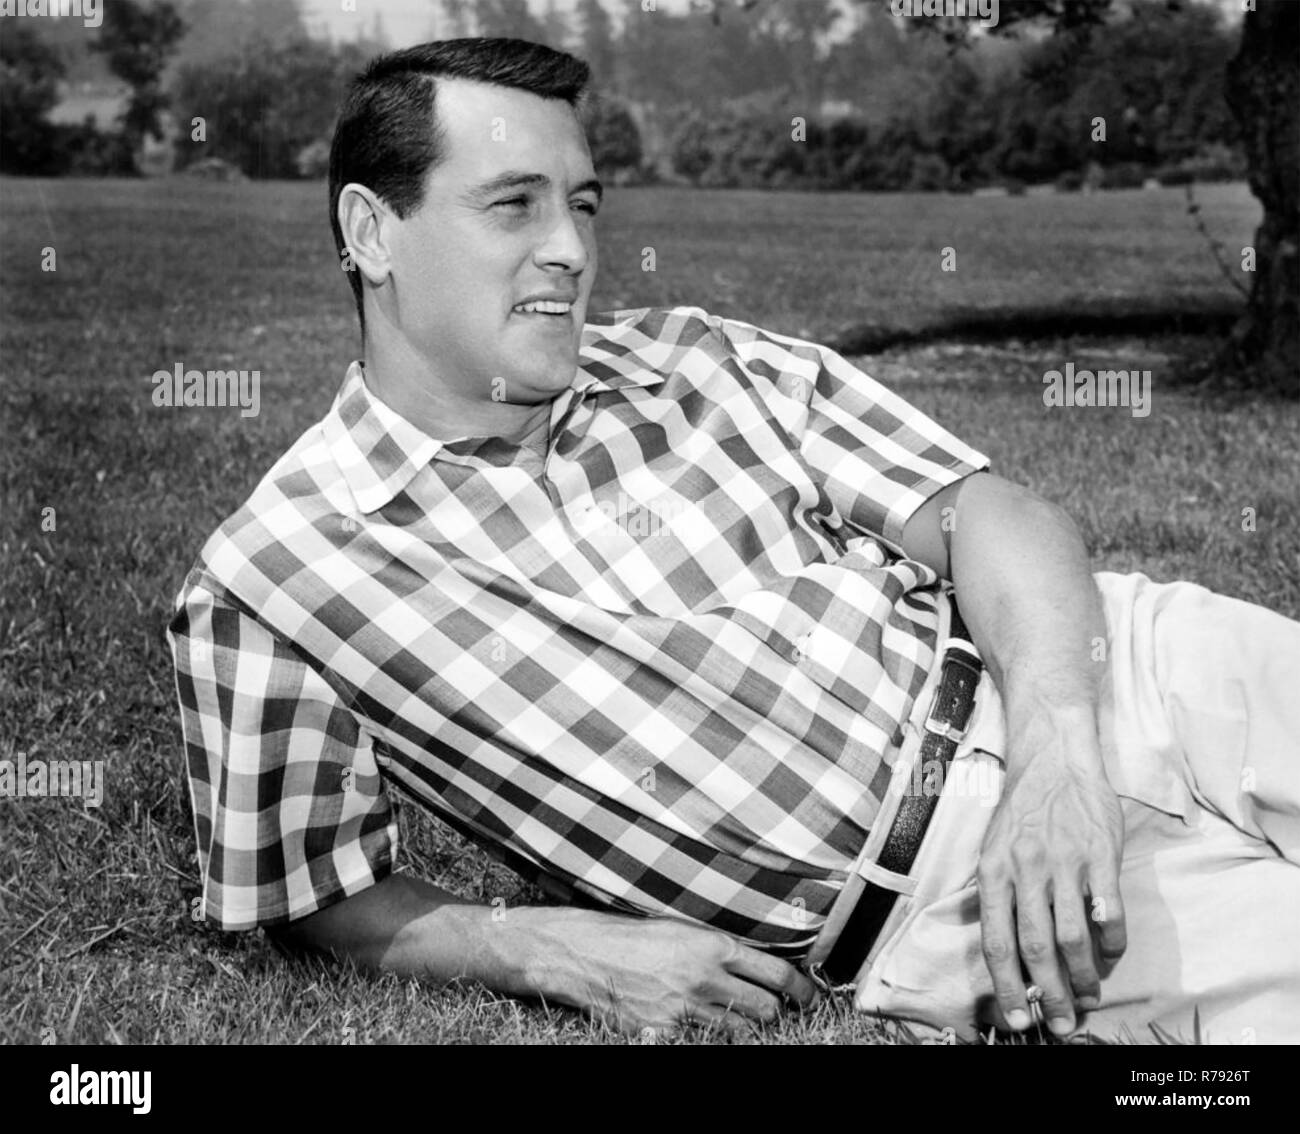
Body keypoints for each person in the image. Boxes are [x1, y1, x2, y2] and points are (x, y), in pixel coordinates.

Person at [167, 37, 1300, 1043]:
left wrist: (1057, 754)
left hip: (1117, 662)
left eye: (586, 204)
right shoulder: (275, 578)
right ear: (371, 230)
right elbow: (318, 897)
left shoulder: (696, 356)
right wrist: (555, 949)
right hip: (960, 902)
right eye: (513, 205)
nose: (569, 247)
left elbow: (987, 514)